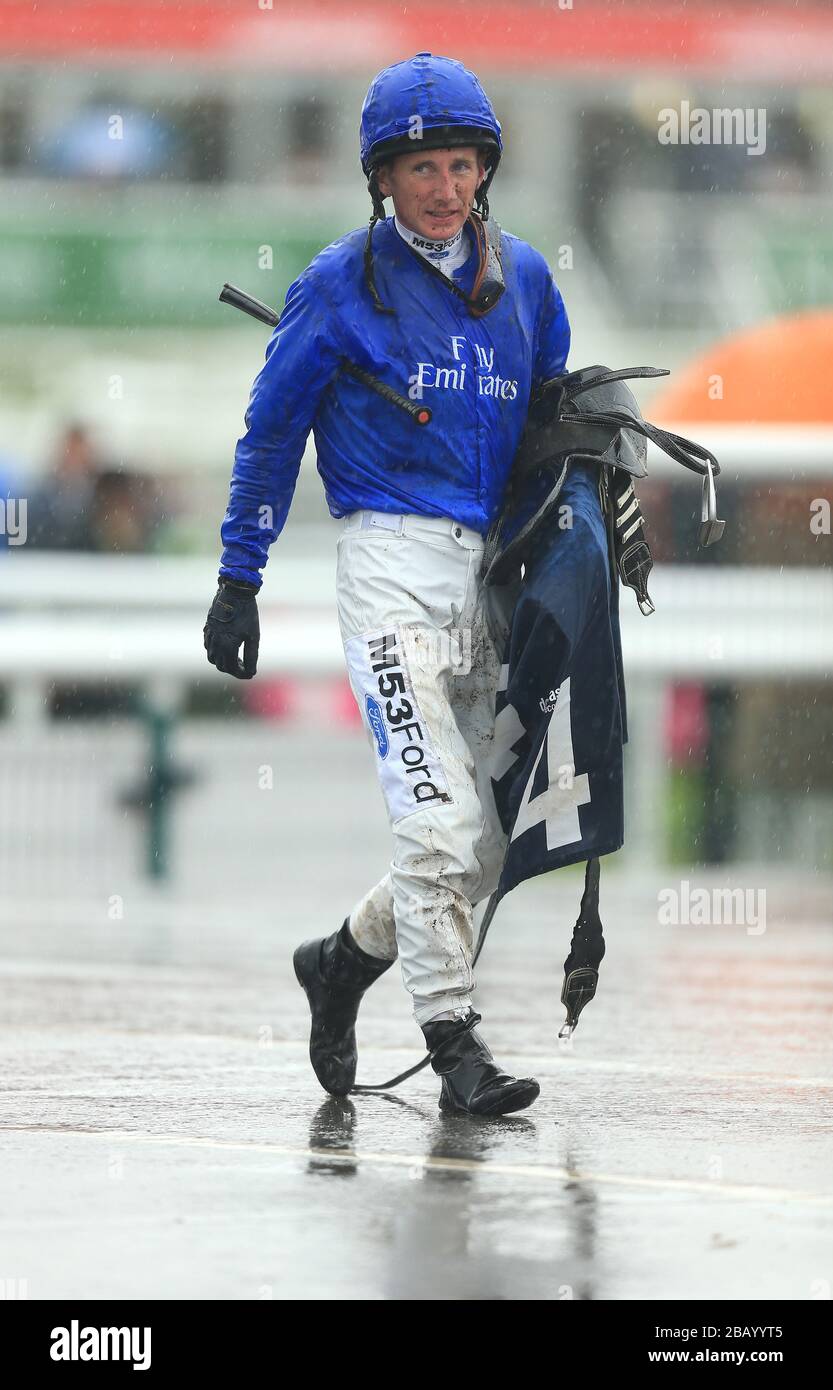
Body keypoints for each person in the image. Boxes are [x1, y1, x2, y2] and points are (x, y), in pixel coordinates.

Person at [204, 53, 571, 1116]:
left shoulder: (529, 281)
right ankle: (454, 1044)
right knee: (434, 822)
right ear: (381, 177)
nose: (445, 188)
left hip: (488, 575)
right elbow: (269, 438)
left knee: (490, 837)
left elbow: (549, 428)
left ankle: (340, 963)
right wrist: (239, 576)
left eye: (461, 165)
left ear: (483, 172)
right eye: (422, 168)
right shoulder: (333, 286)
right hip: (386, 571)